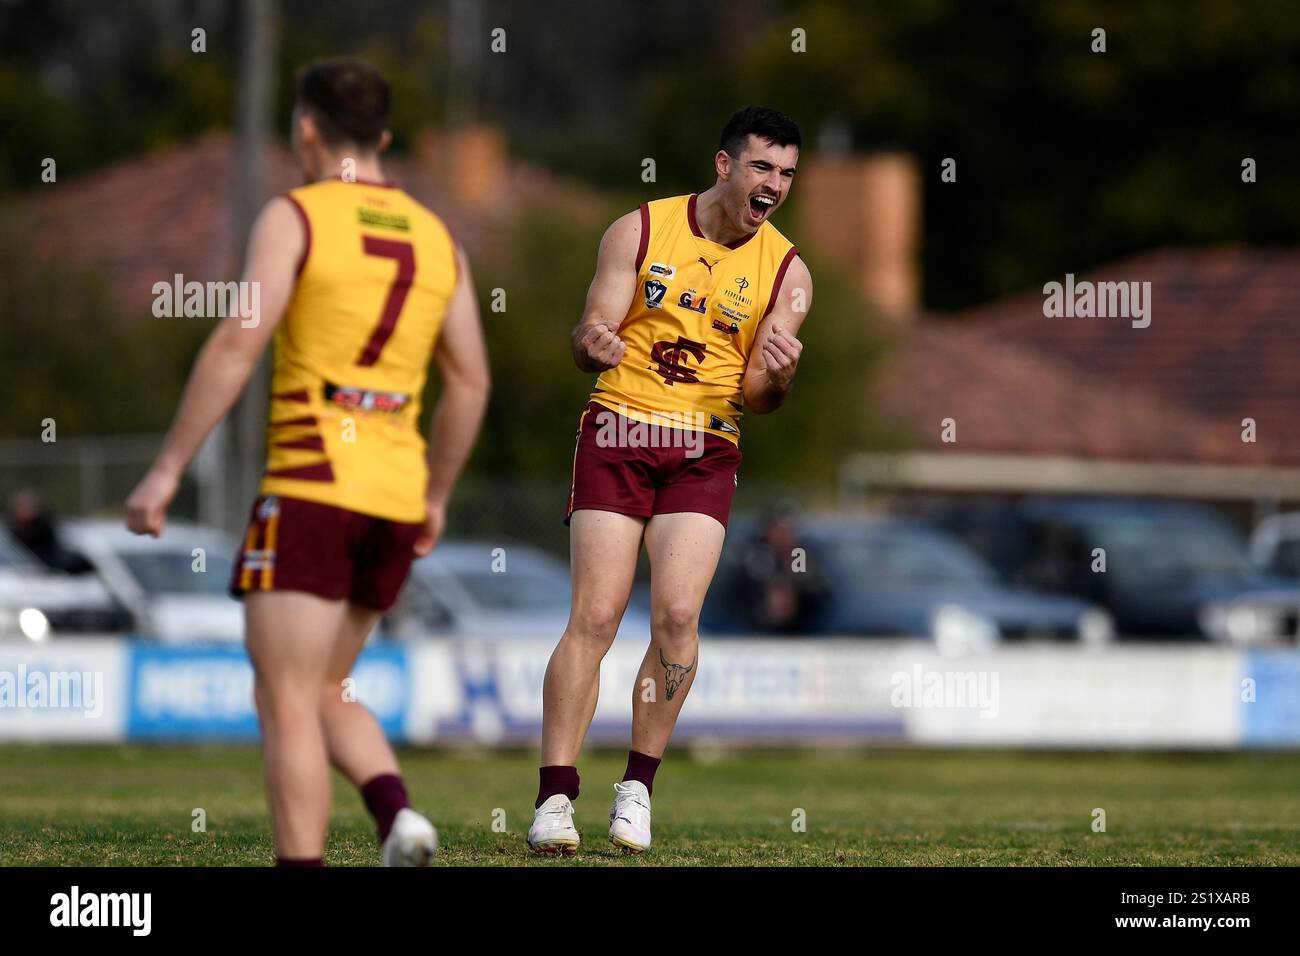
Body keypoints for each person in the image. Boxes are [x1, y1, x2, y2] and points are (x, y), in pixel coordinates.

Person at [124, 58, 489, 866]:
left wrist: (167, 468)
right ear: (385, 138)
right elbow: (471, 380)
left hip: (315, 482)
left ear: (307, 129)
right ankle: (400, 820)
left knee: (287, 700)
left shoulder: (297, 215)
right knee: (325, 687)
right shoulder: (438, 239)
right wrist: (435, 496)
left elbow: (238, 340)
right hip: (393, 496)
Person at [528, 106, 813, 854]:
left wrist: (779, 379)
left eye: (786, 172)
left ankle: (637, 790)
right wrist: (592, 341)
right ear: (726, 166)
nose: (774, 185)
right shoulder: (641, 229)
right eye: (762, 168)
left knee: (678, 617)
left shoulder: (788, 273)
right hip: (618, 429)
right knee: (595, 614)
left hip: (706, 446)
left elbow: (759, 396)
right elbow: (594, 330)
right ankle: (555, 798)